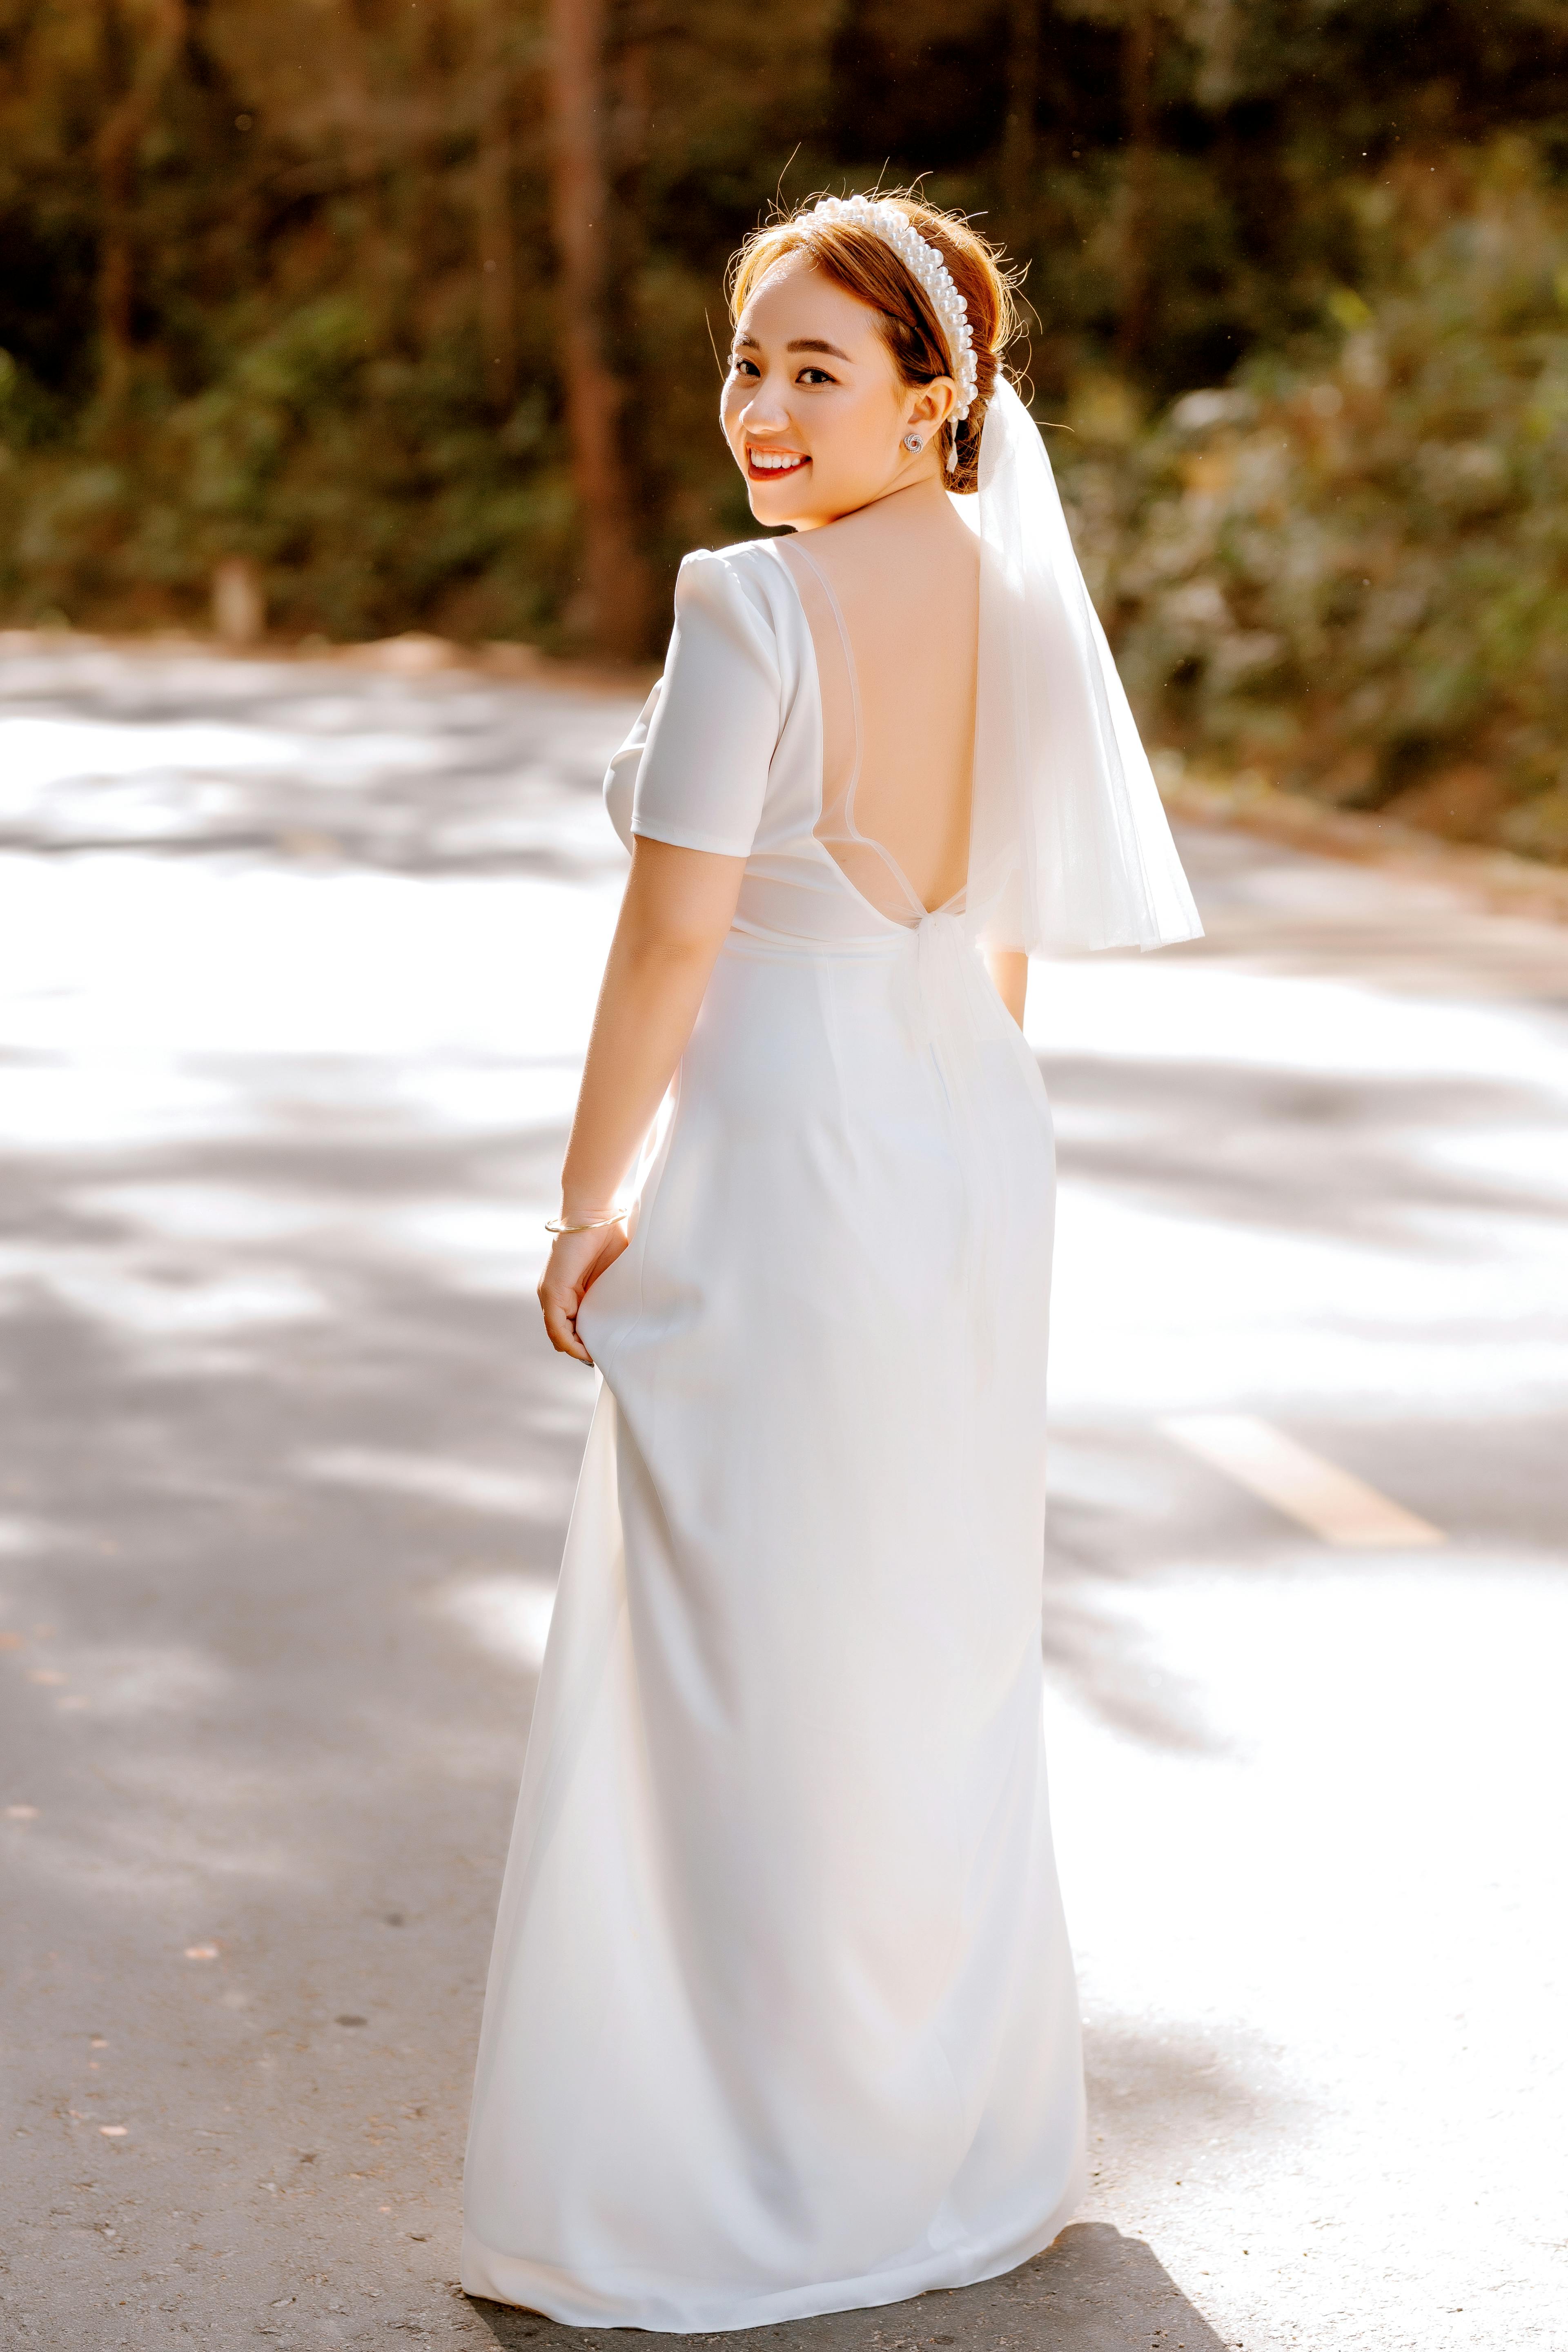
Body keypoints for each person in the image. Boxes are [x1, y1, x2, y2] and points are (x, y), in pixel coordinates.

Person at [461, 191, 1201, 2332]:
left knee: (738, 1662)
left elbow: (675, 929)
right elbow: (1013, 920)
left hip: (788, 1165)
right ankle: (939, 2154)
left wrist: (586, 1199)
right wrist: (964, 1130)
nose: (763, 409)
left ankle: (747, 2179)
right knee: (921, 1654)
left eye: (816, 370)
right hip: (965, 1142)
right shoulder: (1019, 591)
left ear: (928, 397)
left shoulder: (749, 605)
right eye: (748, 360)